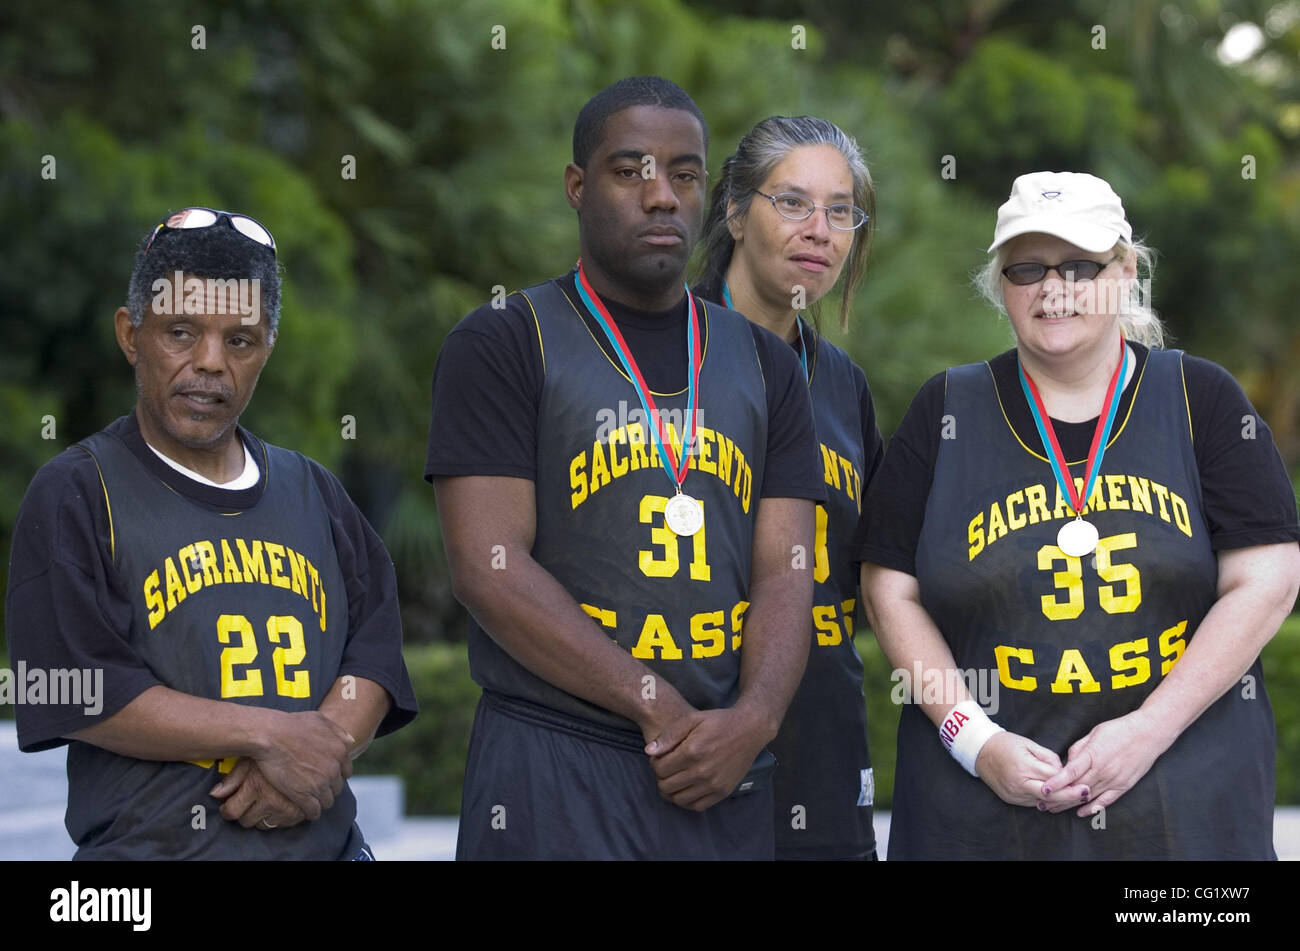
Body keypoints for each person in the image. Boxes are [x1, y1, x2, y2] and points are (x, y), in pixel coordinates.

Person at [425, 76, 824, 860]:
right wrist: (658, 708)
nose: (661, 196)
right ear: (578, 186)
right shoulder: (505, 340)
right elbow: (489, 569)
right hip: (556, 758)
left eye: (683, 174)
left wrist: (756, 720)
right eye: (630, 169)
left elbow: (788, 568)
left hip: (720, 763)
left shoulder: (764, 362)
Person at [861, 171, 1300, 859]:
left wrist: (1149, 729)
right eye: (1027, 267)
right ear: (1001, 282)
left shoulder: (1201, 400)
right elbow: (890, 590)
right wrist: (978, 743)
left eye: (1079, 265)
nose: (1053, 287)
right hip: (980, 823)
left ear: (1125, 271)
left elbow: (1269, 578)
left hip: (1180, 825)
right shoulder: (944, 409)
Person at [5, 207, 418, 859]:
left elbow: (372, 654)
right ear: (130, 333)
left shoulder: (315, 493)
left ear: (269, 347)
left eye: (240, 340)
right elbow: (82, 689)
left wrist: (319, 750)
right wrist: (271, 736)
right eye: (180, 331)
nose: (209, 363)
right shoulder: (79, 492)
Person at [693, 115, 883, 860]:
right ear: (736, 212)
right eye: (793, 202)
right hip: (690, 736)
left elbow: (881, 572)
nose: (820, 229)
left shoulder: (842, 384)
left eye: (842, 211)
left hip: (822, 742)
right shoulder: (655, 355)